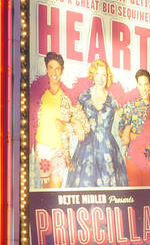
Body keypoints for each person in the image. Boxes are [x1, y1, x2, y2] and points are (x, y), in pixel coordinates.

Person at [65, 58, 127, 188]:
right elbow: (70, 115)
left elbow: (127, 117)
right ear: (92, 75)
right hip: (86, 148)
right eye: (97, 74)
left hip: (108, 151)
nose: (100, 78)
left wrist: (127, 130)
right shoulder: (84, 96)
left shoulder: (112, 99)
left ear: (107, 76)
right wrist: (76, 123)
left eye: (103, 74)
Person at [30, 52, 76, 189]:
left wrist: (66, 127)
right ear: (46, 69)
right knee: (46, 190)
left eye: (57, 68)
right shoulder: (39, 93)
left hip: (59, 150)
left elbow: (81, 126)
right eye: (50, 67)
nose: (54, 72)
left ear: (62, 70)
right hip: (42, 148)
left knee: (55, 188)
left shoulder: (68, 96)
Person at [117, 69, 150, 186]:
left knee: (149, 196)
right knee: (135, 195)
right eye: (140, 84)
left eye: (146, 84)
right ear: (137, 86)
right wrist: (132, 135)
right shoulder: (131, 107)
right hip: (133, 159)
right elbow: (120, 129)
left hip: (149, 159)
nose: (144, 88)